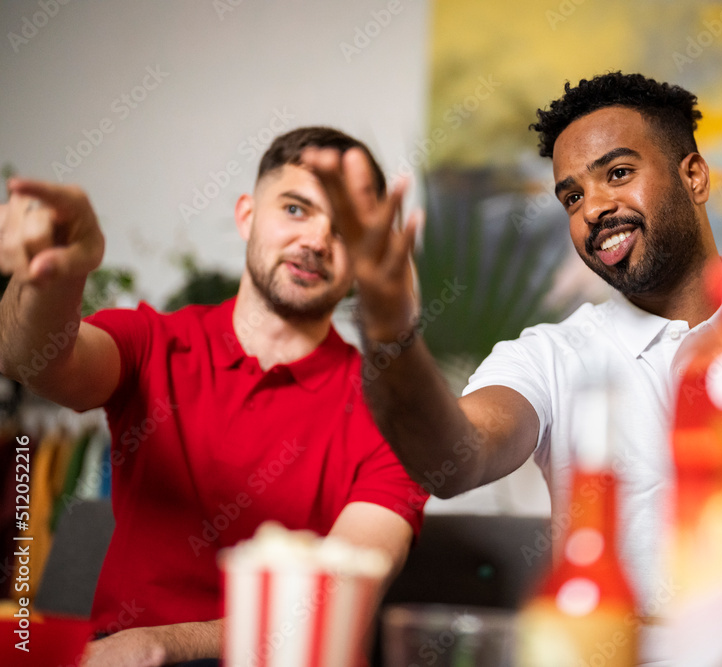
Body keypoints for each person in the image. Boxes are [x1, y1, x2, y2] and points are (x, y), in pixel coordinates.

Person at [306, 73, 722, 666]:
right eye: (571, 196)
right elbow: (451, 460)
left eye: (617, 173)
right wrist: (389, 330)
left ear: (695, 176)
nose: (592, 208)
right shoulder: (549, 357)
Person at [0, 126, 429, 665]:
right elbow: (31, 362)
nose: (318, 241)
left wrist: (163, 643)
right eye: (296, 209)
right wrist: (53, 275)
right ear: (247, 215)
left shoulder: (394, 414)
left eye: (344, 228)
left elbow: (337, 597)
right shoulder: (154, 342)